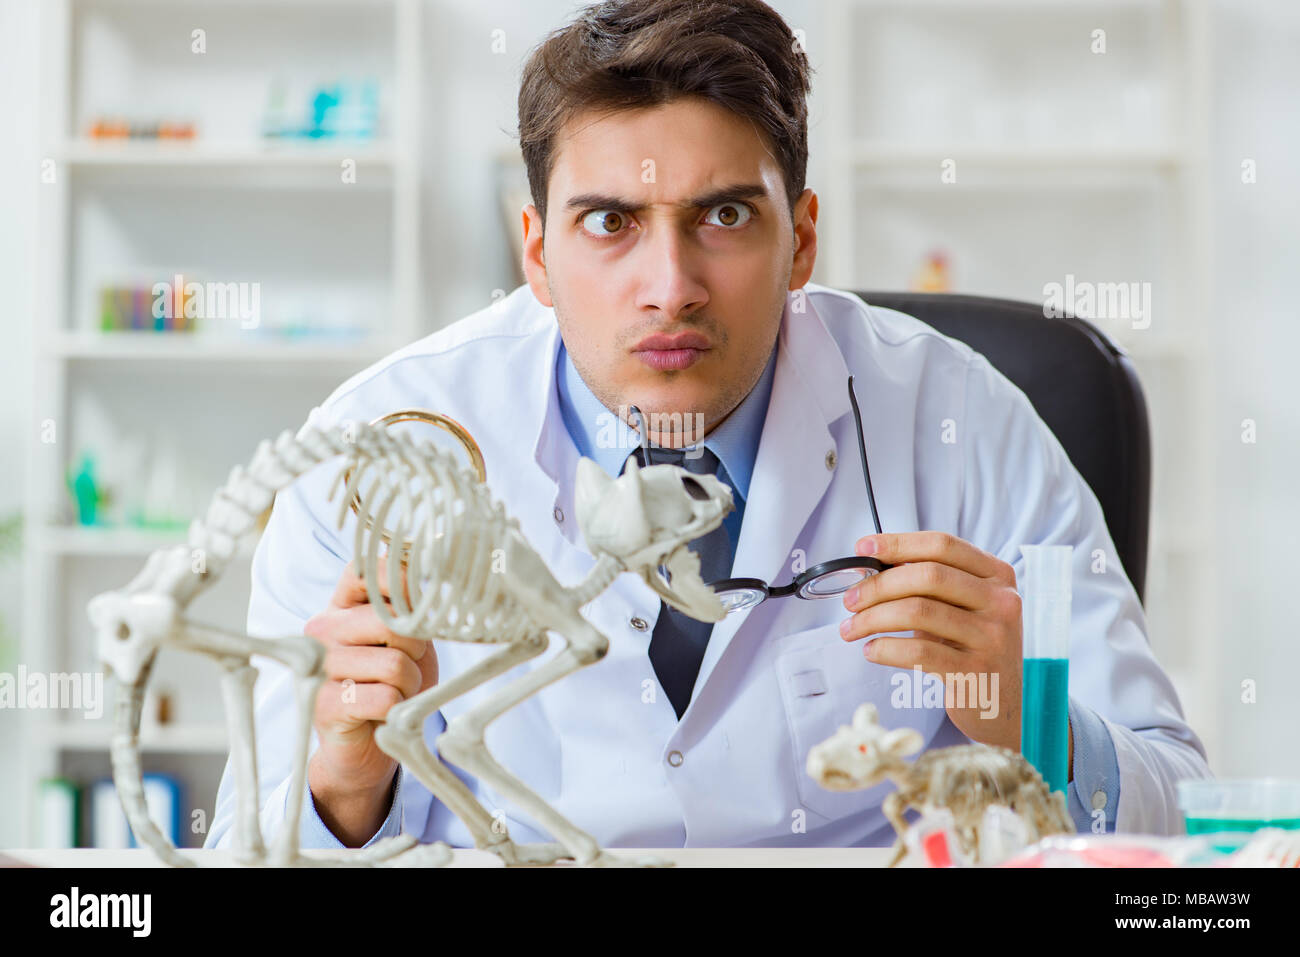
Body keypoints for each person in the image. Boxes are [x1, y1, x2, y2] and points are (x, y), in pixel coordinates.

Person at [206, 0, 1209, 855]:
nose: (670, 288)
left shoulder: (960, 421)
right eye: (610, 223)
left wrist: (1032, 719)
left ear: (802, 238)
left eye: (724, 217)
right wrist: (339, 782)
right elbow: (237, 852)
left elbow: (1179, 818)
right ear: (537, 253)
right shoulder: (384, 444)